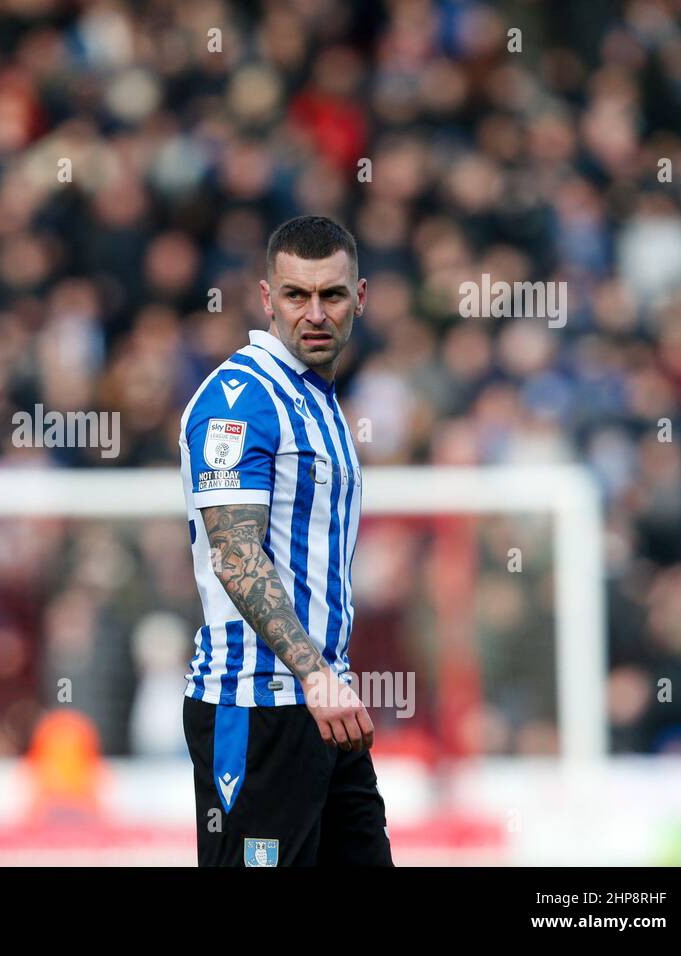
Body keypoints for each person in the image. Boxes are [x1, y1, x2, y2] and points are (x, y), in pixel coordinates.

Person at [179, 215, 393, 866]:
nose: (316, 313)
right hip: (259, 707)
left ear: (361, 296)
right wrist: (315, 676)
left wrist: (327, 684)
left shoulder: (319, 400)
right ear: (268, 299)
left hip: (325, 710)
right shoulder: (240, 401)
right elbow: (236, 554)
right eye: (297, 295)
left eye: (331, 294)